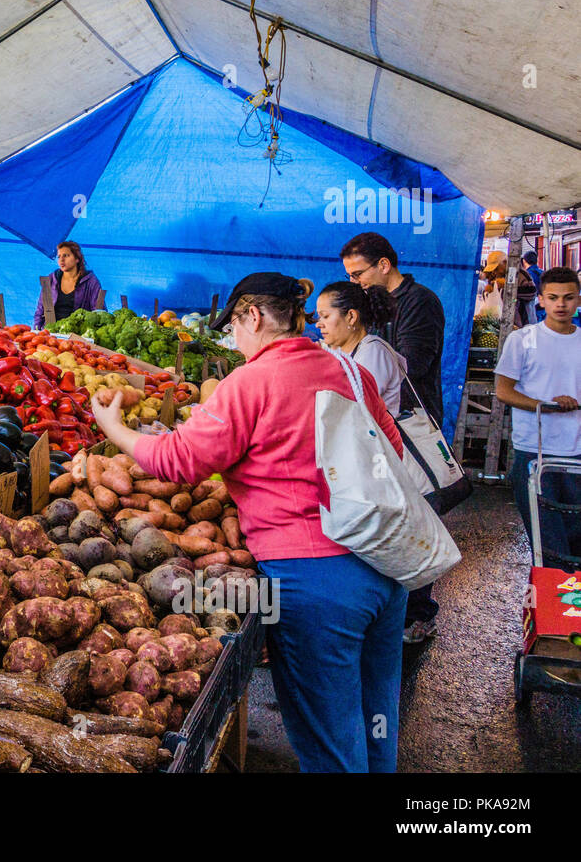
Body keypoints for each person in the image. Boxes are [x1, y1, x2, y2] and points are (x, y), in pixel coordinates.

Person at [91, 272, 407, 772]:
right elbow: (393, 452)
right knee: (376, 716)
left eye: (235, 328)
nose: (234, 341)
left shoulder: (250, 382)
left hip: (316, 581)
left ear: (253, 317)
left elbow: (178, 461)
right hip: (387, 567)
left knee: (330, 739)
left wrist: (115, 430)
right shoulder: (350, 371)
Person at [340, 231, 444, 643]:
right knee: (390, 523)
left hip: (409, 428)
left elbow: (411, 365)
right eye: (349, 276)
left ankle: (420, 614)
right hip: (383, 432)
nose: (356, 282)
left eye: (359, 273)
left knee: (415, 520)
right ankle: (392, 612)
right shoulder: (373, 306)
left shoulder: (420, 302)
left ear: (384, 264)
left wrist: (369, 353)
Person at [494, 266, 581, 562]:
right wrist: (547, 404)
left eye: (568, 297)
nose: (561, 304)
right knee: (548, 549)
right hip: (535, 454)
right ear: (541, 300)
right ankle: (548, 607)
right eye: (553, 297)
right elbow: (504, 391)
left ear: (578, 300)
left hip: (578, 452)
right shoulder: (523, 340)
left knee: (577, 545)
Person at [315, 282, 408, 415]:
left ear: (351, 317)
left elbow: (353, 407)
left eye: (325, 316)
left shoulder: (373, 353)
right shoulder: (338, 351)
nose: (319, 324)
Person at [34, 241, 104, 328]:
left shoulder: (92, 281)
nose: (61, 260)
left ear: (77, 258)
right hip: (50, 335)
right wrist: (36, 332)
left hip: (77, 336)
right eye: (59, 256)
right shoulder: (50, 280)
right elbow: (40, 311)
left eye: (66, 255)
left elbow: (100, 312)